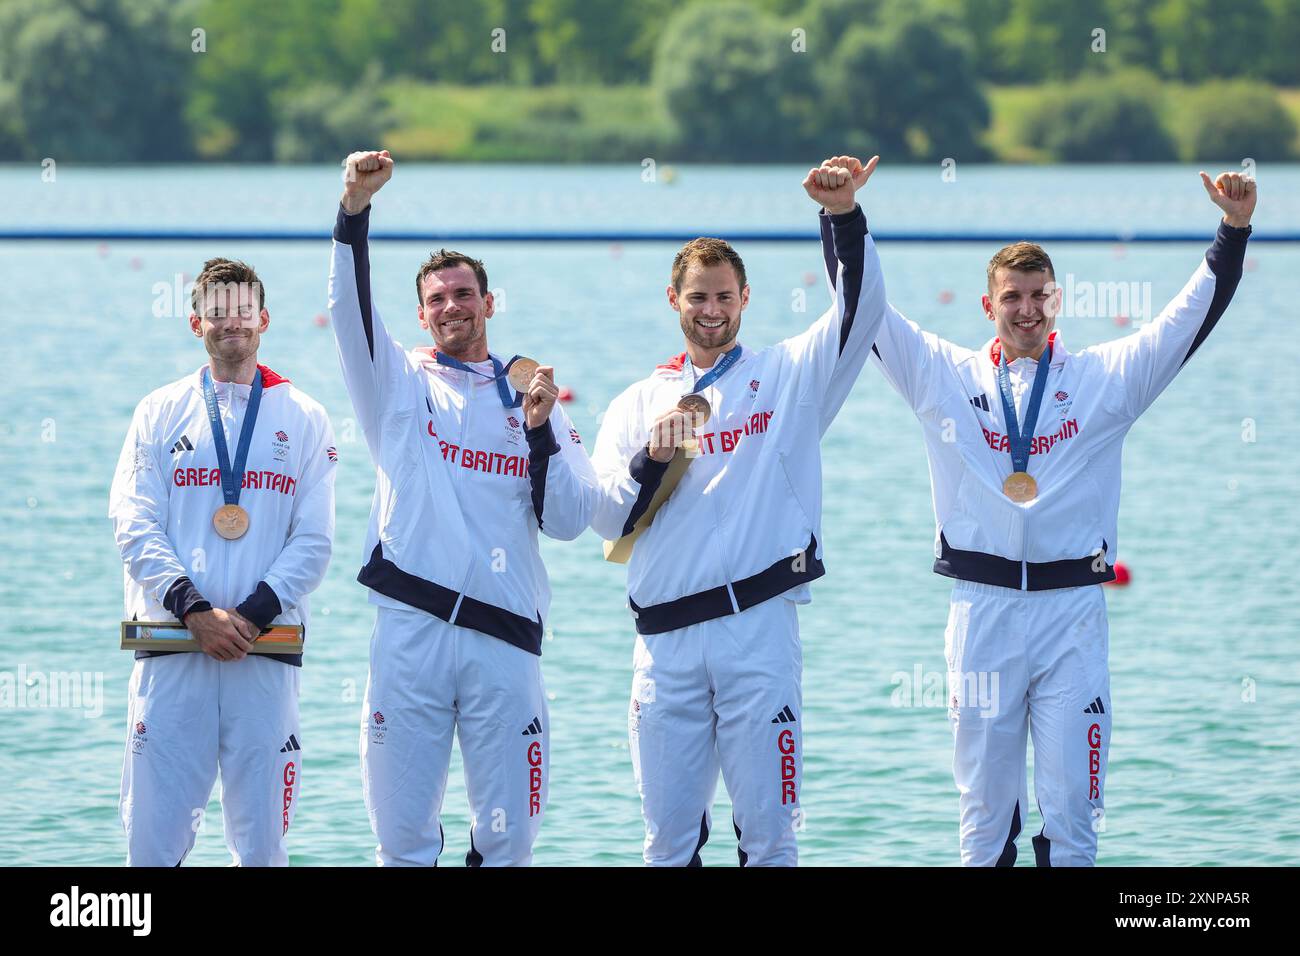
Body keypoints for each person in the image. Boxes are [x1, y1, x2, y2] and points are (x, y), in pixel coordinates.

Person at [866, 168, 1256, 866]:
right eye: (1011, 298)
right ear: (988, 306)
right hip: (981, 612)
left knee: (1075, 819)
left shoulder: (1105, 380)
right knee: (984, 824)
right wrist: (843, 217)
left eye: (1039, 297)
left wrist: (1232, 232)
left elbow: (1184, 322)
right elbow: (867, 313)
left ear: (1058, 302)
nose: (1026, 310)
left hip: (1072, 615)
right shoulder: (945, 375)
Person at [588, 155, 886, 866]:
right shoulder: (636, 402)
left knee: (771, 841)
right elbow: (603, 518)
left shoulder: (788, 375)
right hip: (664, 646)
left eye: (724, 296)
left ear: (746, 298)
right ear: (674, 300)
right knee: (667, 845)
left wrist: (841, 217)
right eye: (697, 298)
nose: (711, 311)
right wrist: (648, 460)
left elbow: (862, 310)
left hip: (759, 634)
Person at [329, 150, 596, 866]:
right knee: (403, 841)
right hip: (411, 634)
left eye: (464, 294)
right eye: (438, 298)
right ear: (421, 314)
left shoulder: (532, 395)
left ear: (488, 303)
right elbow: (348, 314)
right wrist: (354, 210)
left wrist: (541, 432)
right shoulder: (398, 389)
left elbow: (572, 519)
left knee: (508, 844)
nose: (452, 306)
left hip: (504, 643)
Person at [110, 257, 337, 866]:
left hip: (263, 654)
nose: (229, 323)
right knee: (151, 849)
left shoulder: (305, 417)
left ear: (263, 319)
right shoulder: (158, 411)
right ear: (195, 323)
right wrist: (195, 610)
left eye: (241, 311)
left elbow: (314, 541)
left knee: (261, 849)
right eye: (217, 312)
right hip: (173, 651)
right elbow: (133, 524)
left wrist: (251, 616)